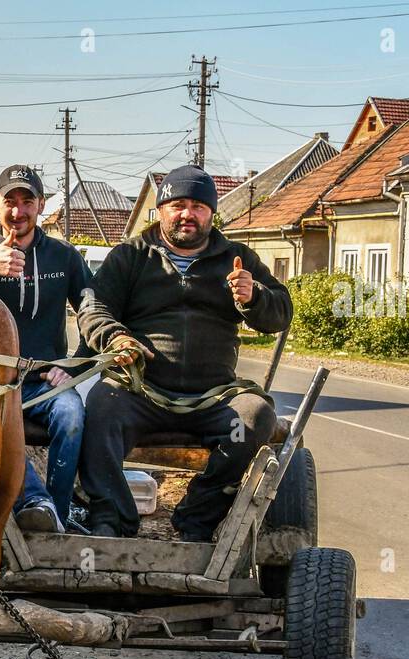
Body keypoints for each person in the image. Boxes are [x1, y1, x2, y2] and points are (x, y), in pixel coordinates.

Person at [77, 164, 292, 541]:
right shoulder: (131, 256)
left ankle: (197, 519)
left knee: (256, 416)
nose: (187, 214)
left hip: (214, 397)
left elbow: (280, 312)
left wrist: (253, 296)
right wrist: (116, 337)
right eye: (177, 204)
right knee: (100, 404)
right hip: (140, 391)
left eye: (198, 205)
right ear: (160, 210)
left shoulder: (237, 257)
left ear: (211, 213)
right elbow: (93, 307)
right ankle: (111, 520)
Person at [0, 165, 93, 533]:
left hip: (46, 380)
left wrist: (73, 368)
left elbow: (94, 311)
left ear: (41, 205)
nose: (18, 210)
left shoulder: (64, 256)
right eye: (9, 201)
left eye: (27, 201)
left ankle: (54, 516)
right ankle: (34, 501)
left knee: (72, 414)